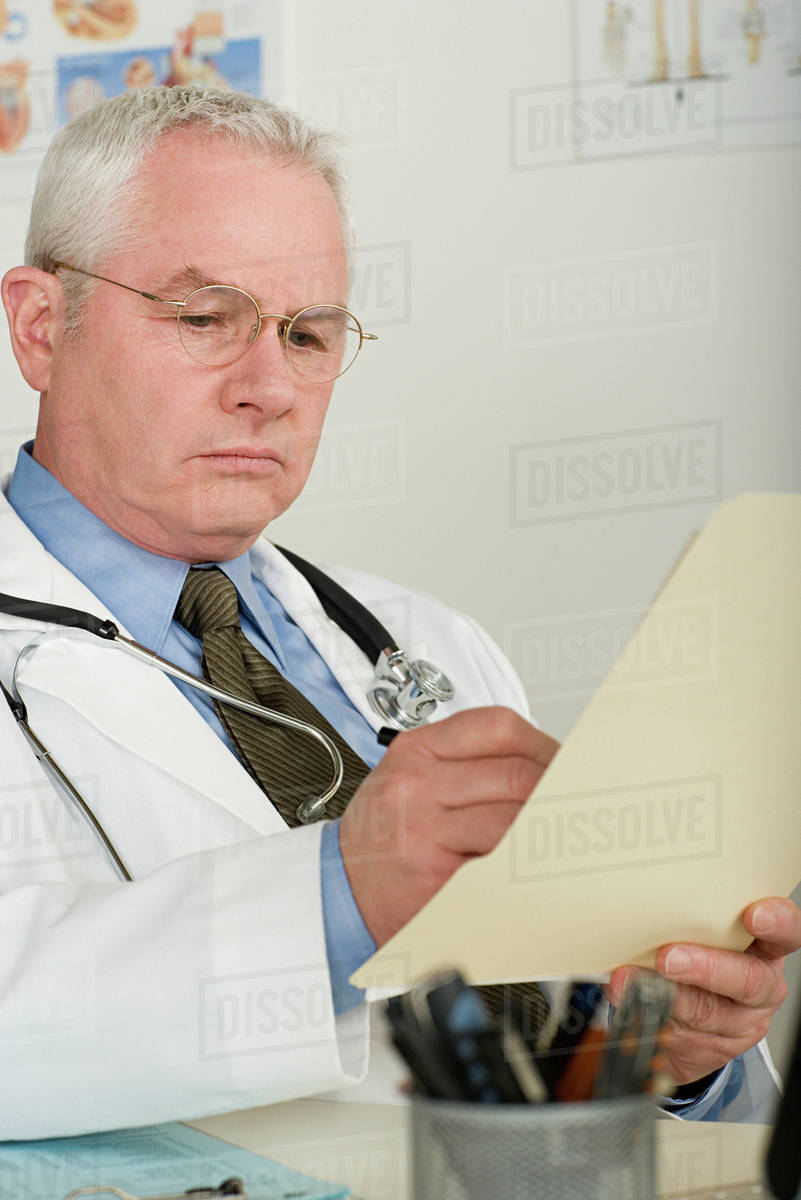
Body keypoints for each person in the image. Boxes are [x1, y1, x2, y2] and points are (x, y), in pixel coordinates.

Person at [0, 86, 797, 1138]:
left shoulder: (434, 645)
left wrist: (663, 1054)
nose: (270, 386)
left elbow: (562, 1087)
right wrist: (342, 895)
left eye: (310, 334)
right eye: (204, 319)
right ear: (42, 327)